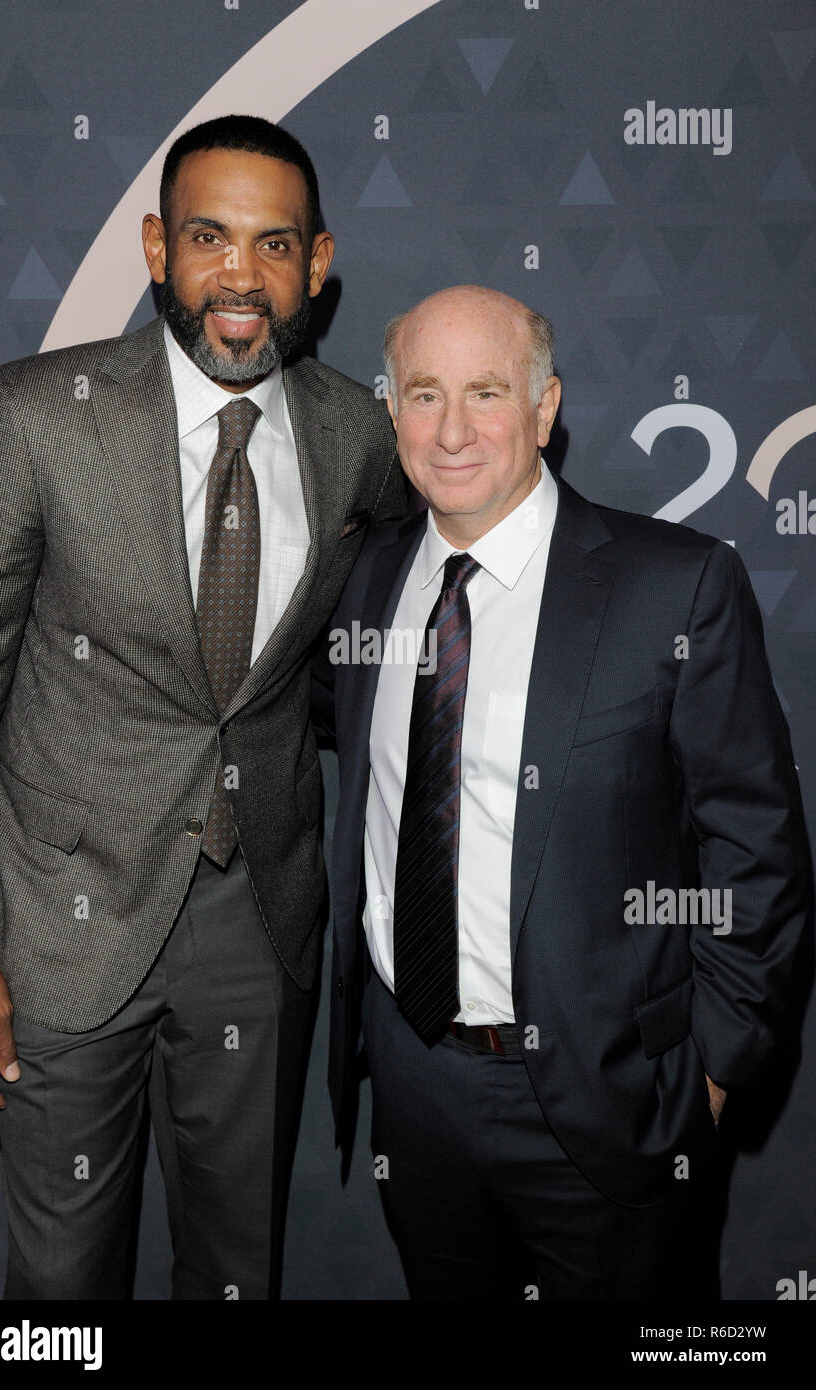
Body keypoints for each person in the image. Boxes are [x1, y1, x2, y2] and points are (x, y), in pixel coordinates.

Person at [0, 114, 405, 1300]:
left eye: (274, 244)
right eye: (209, 238)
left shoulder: (363, 437)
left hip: (258, 912)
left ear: (318, 265)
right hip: (62, 918)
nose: (239, 276)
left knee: (236, 1264)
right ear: (157, 248)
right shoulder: (31, 416)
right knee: (61, 1287)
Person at [314, 284, 809, 1300]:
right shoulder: (368, 580)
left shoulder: (672, 586)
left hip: (609, 1101)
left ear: (544, 409)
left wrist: (705, 1079)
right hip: (412, 1089)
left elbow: (756, 857)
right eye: (422, 394)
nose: (451, 431)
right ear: (392, 409)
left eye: (486, 393)